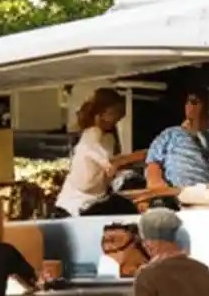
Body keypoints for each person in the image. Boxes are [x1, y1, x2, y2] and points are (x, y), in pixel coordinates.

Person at [55, 88, 143, 216]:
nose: (116, 119)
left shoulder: (109, 138)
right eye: (114, 113)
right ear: (102, 113)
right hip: (75, 201)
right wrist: (107, 164)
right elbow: (92, 151)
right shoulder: (92, 133)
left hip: (93, 199)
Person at [145, 86, 209, 192]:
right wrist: (157, 185)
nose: (189, 106)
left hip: (205, 192)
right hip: (175, 192)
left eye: (194, 102)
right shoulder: (171, 134)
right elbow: (152, 163)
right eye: (187, 103)